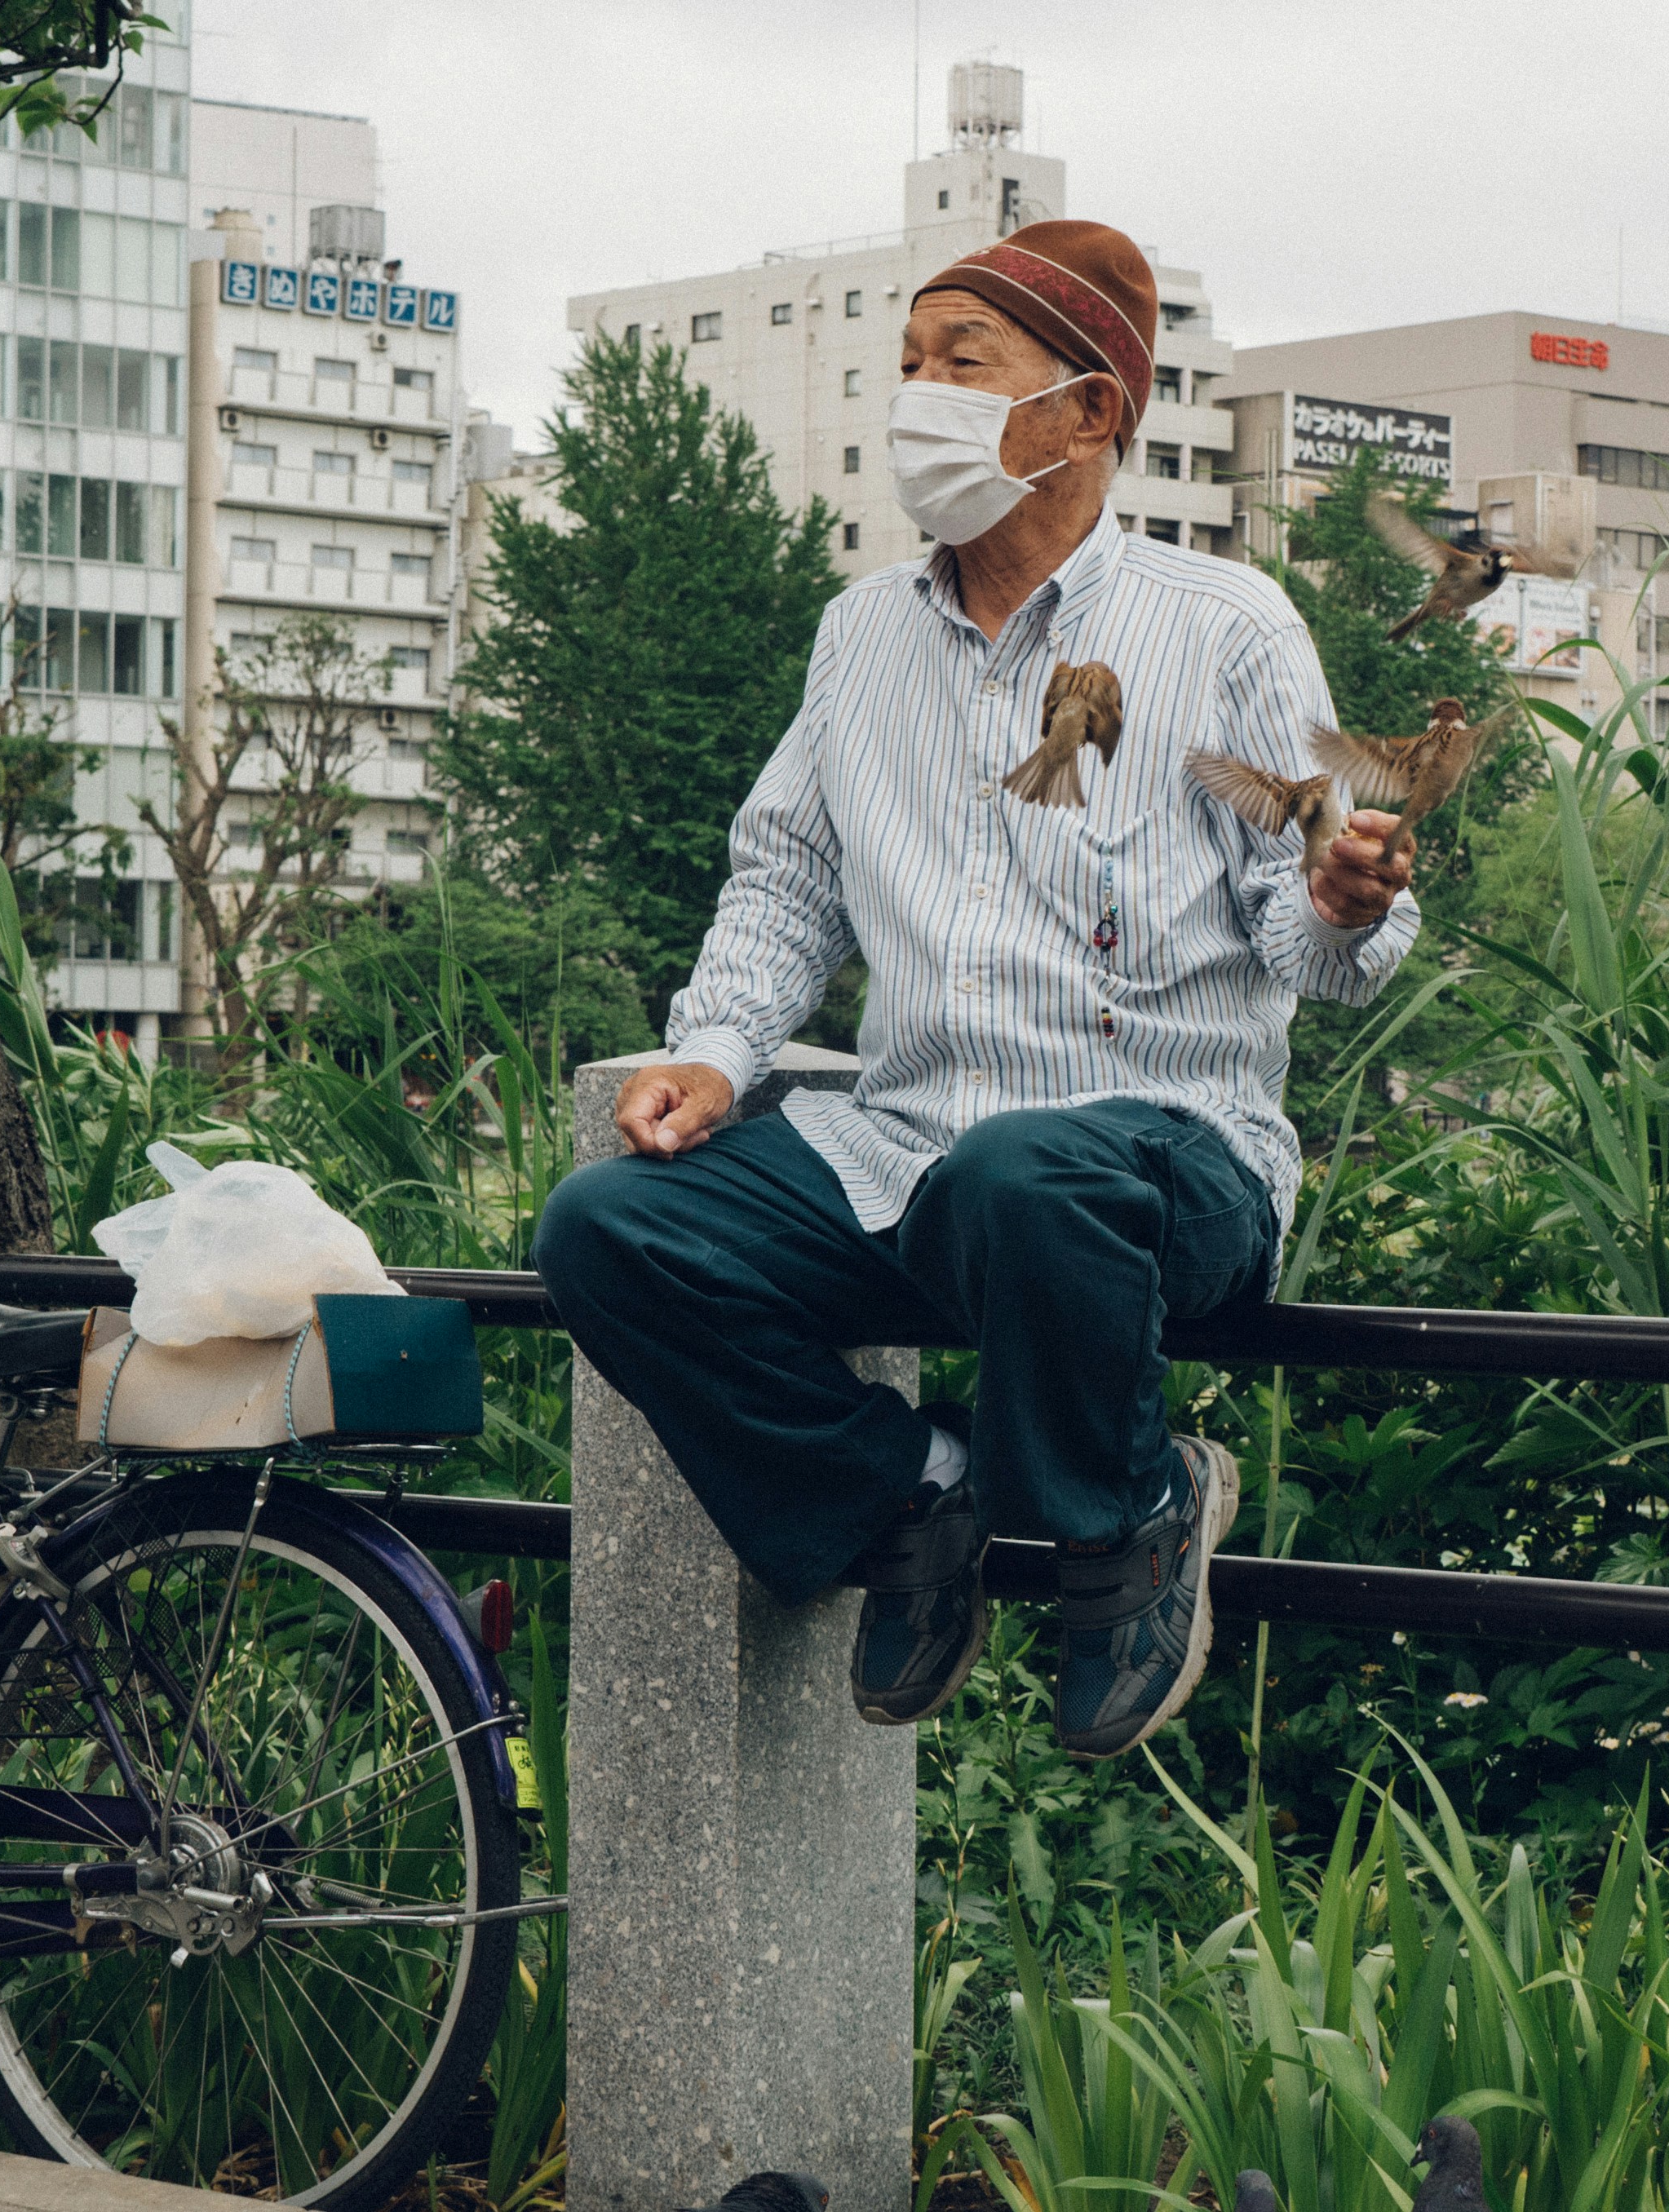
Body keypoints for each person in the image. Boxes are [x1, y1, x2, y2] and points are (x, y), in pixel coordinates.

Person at [534, 220, 1419, 1757]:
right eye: (907, 366)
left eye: (964, 365)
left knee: (1034, 1166)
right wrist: (715, 1056)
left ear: (1091, 413)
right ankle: (909, 1498)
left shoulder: (1224, 628)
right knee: (610, 1225)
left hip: (1163, 1171)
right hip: (916, 1164)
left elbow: (1312, 942)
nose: (917, 399)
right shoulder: (858, 635)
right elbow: (785, 879)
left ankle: (1126, 1522)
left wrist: (1346, 902)